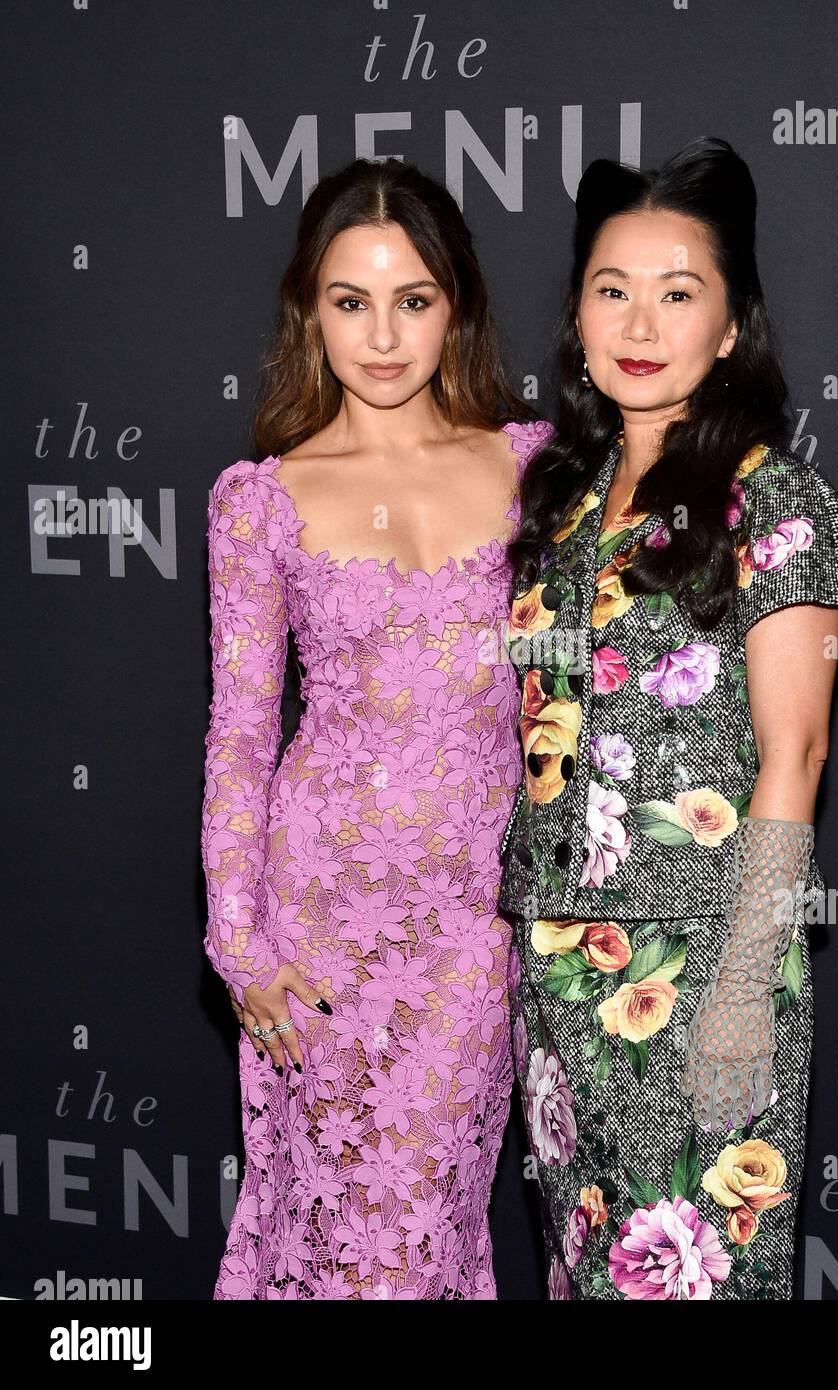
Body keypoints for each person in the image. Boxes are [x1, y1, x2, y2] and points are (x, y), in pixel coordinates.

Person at [499, 136, 838, 1300]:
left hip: (702, 966)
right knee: (585, 1268)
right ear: (575, 311)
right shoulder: (558, 500)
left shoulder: (772, 498)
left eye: (678, 294)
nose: (639, 320)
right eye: (611, 288)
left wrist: (739, 991)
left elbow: (797, 750)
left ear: (729, 329)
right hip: (558, 972)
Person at [200, 155, 554, 1299]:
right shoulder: (261, 498)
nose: (384, 336)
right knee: (337, 1226)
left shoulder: (531, 469)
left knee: (417, 1227)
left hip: (469, 932)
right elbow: (242, 733)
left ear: (457, 306)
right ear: (311, 311)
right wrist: (234, 933)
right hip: (318, 925)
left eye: (413, 299)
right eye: (351, 301)